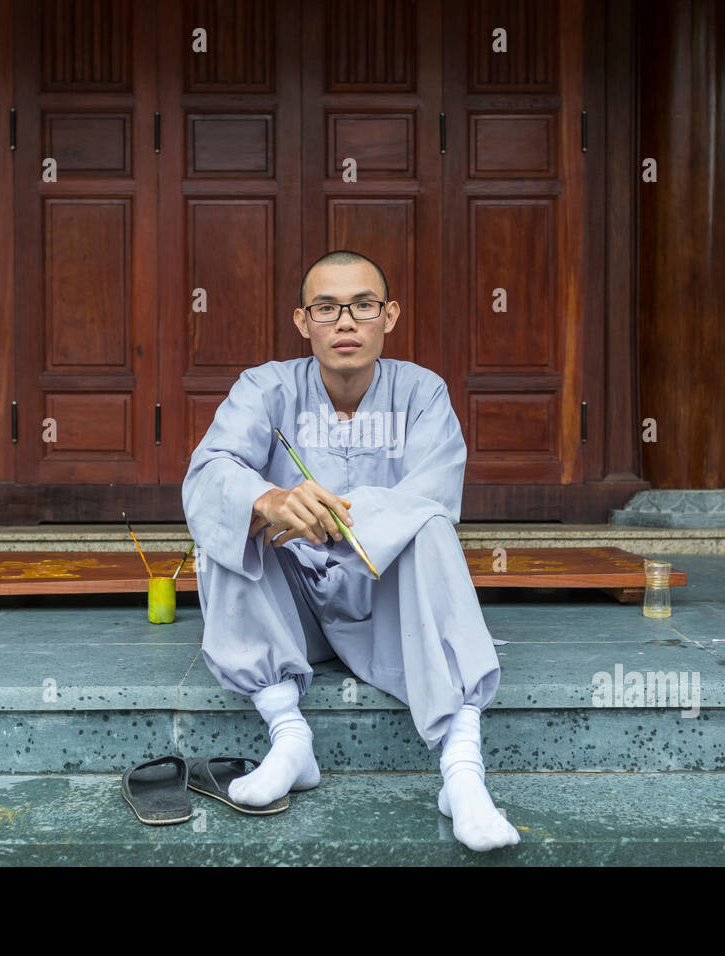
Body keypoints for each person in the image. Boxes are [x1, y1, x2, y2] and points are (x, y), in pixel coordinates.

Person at [181, 250, 519, 851]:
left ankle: (462, 770)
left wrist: (332, 518)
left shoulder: (422, 392)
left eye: (363, 306)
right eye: (327, 307)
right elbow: (209, 473)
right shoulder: (264, 387)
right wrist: (269, 501)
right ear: (301, 319)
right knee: (230, 524)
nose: (345, 322)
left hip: (381, 600)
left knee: (433, 528)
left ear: (388, 315)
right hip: (291, 610)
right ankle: (290, 737)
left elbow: (433, 491)